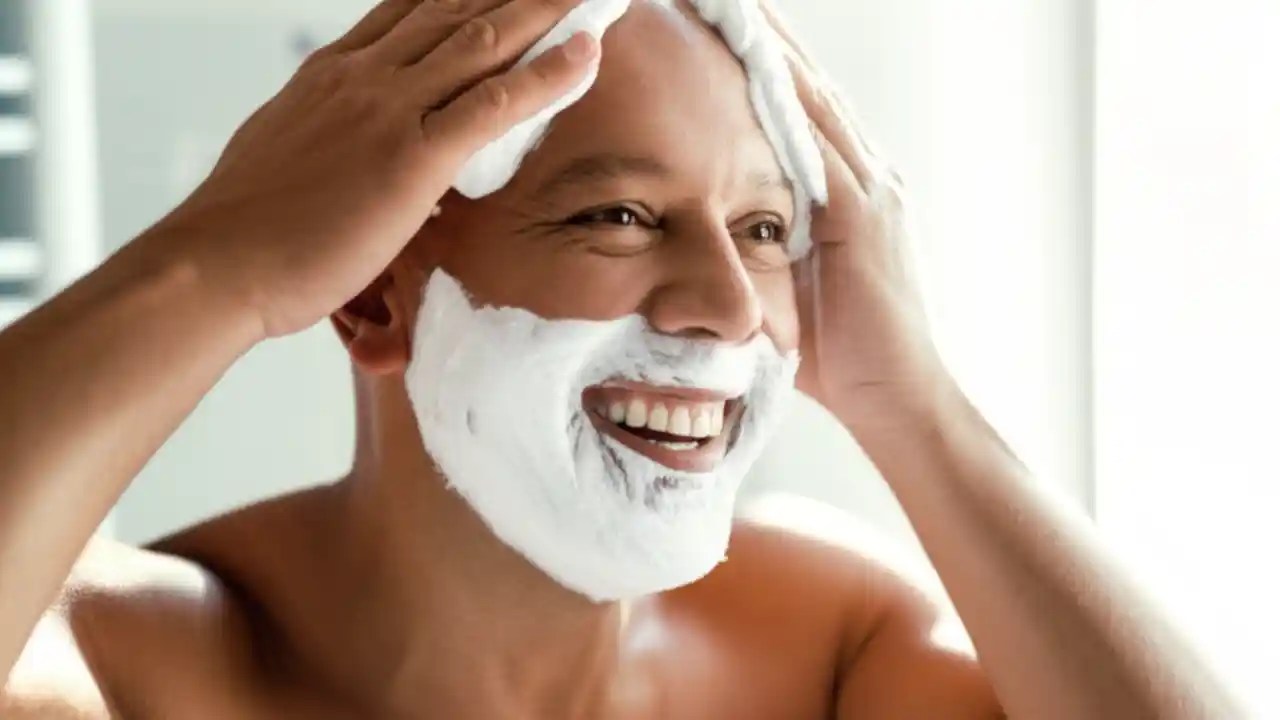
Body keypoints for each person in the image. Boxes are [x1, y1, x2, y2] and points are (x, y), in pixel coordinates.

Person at [0, 0, 1247, 718]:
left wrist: (910, 405)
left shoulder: (825, 644)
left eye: (764, 230)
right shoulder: (125, 666)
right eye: (618, 215)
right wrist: (209, 268)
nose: (724, 307)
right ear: (371, 296)